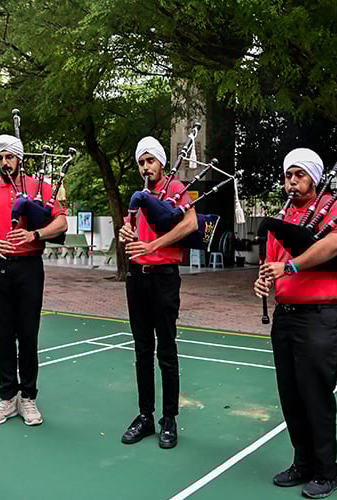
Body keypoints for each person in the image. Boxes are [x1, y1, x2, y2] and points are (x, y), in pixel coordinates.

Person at [254, 148, 337, 499]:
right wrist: (264, 280)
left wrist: (291, 268)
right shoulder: (283, 216)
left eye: (299, 175)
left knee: (315, 396)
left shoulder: (329, 208)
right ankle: (303, 463)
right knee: (291, 395)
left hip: (320, 315)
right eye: (288, 175)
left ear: (314, 177)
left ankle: (329, 471)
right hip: (287, 315)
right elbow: (273, 264)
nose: (292, 181)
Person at [0, 134, 67, 426]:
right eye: (0, 157)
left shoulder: (41, 188)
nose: (5, 162)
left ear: (20, 158)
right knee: (2, 335)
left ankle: (28, 398)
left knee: (27, 335)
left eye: (9, 157)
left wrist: (34, 235)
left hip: (29, 268)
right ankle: (7, 398)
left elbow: (61, 222)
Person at [118, 136, 197, 449]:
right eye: (141, 162)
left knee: (166, 349)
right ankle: (145, 415)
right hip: (137, 277)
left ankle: (170, 418)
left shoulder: (176, 190)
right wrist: (126, 232)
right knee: (141, 350)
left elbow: (190, 224)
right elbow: (130, 230)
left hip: (164, 277)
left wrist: (154, 245)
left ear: (161, 163)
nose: (146, 167)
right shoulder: (137, 198)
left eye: (150, 160)